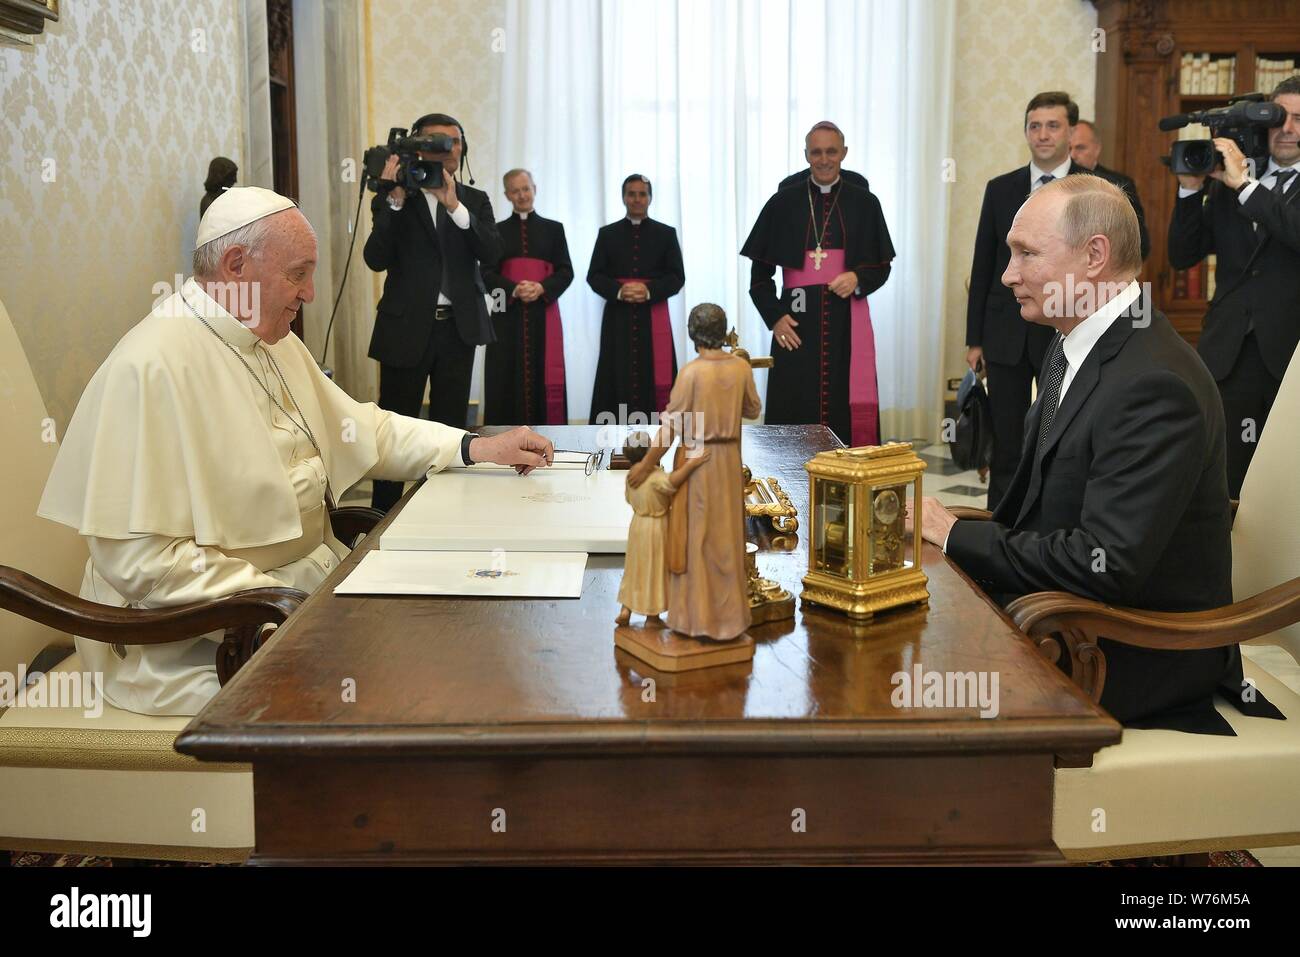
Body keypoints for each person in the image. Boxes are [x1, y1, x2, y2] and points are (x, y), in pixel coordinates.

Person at [38, 187, 553, 717]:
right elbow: (143, 565)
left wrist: (476, 446)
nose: (309, 293)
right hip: (201, 640)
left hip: (305, 591)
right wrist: (285, 607)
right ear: (236, 265)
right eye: (298, 273)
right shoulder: (150, 367)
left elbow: (363, 431)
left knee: (467, 629)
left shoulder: (271, 338)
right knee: (405, 687)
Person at [920, 175, 1281, 734]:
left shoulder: (1155, 383)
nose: (1007, 274)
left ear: (1094, 255)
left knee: (905, 687)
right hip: (1064, 614)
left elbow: (1105, 565)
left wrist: (953, 534)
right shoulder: (1074, 345)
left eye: (1026, 253)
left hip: (1126, 651)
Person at [1168, 75, 1300, 497]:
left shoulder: (1241, 182)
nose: (1288, 128)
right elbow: (1182, 255)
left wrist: (1245, 185)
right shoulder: (1229, 181)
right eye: (1279, 117)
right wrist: (1189, 191)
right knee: (1224, 473)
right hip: (1228, 351)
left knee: (1283, 479)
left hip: (1290, 354)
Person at [364, 112, 503, 511]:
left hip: (457, 330)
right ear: (416, 146)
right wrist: (393, 199)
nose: (447, 149)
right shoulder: (395, 196)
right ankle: (379, 519)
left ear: (462, 149)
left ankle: (445, 513)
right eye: (436, 141)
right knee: (394, 428)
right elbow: (375, 258)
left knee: (449, 429)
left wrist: (455, 207)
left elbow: (493, 254)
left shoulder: (474, 201)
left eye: (454, 142)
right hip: (404, 329)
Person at [965, 92, 1092, 509]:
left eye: (1052, 125)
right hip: (1006, 336)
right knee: (1007, 440)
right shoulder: (1000, 189)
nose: (1042, 134)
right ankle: (998, 527)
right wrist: (974, 340)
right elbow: (984, 266)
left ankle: (1050, 520)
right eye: (1034, 125)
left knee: (1061, 435)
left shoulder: (1096, 188)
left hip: (1068, 330)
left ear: (1072, 132)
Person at [741, 120, 893, 446]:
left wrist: (857, 278)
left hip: (846, 326)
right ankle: (788, 483)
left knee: (844, 401)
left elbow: (882, 267)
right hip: (795, 326)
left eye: (832, 152)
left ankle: (849, 482)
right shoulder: (782, 203)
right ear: (806, 154)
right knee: (793, 405)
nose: (824, 159)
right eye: (817, 152)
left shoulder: (865, 203)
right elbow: (759, 278)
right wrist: (776, 318)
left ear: (844, 153)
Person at [629, 304, 762, 642]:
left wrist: (645, 464)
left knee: (696, 537)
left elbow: (671, 427)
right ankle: (729, 620)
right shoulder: (740, 369)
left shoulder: (691, 373)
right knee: (727, 538)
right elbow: (752, 409)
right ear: (723, 331)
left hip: (696, 459)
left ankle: (694, 619)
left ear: (693, 333)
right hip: (729, 457)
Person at [587, 174, 685, 424]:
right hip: (617, 319)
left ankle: (659, 437)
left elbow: (677, 277)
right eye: (632, 194)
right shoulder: (607, 234)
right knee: (615, 373)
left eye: (642, 194)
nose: (637, 199)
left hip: (653, 318)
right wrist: (619, 291)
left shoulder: (666, 234)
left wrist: (649, 290)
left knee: (654, 376)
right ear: (623, 197)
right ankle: (612, 436)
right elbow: (594, 276)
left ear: (650, 198)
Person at [482, 168, 574, 425]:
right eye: (515, 190)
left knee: (544, 373)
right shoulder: (495, 231)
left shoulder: (554, 229)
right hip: (505, 313)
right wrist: (513, 289)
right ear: (506, 195)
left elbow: (566, 271)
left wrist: (542, 288)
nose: (522, 195)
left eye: (526, 188)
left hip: (543, 313)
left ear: (535, 189)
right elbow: (486, 273)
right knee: (504, 374)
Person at [615, 432, 710, 627]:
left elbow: (628, 499)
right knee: (654, 569)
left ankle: (626, 608)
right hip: (656, 527)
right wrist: (692, 464)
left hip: (637, 525)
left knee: (634, 569)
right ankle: (652, 616)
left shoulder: (631, 477)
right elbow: (673, 481)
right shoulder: (655, 477)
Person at [1069, 119, 1151, 260]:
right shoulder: (1056, 184)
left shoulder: (1118, 184)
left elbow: (1139, 244)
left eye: (1080, 148)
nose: (1072, 155)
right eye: (1068, 149)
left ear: (1097, 149)